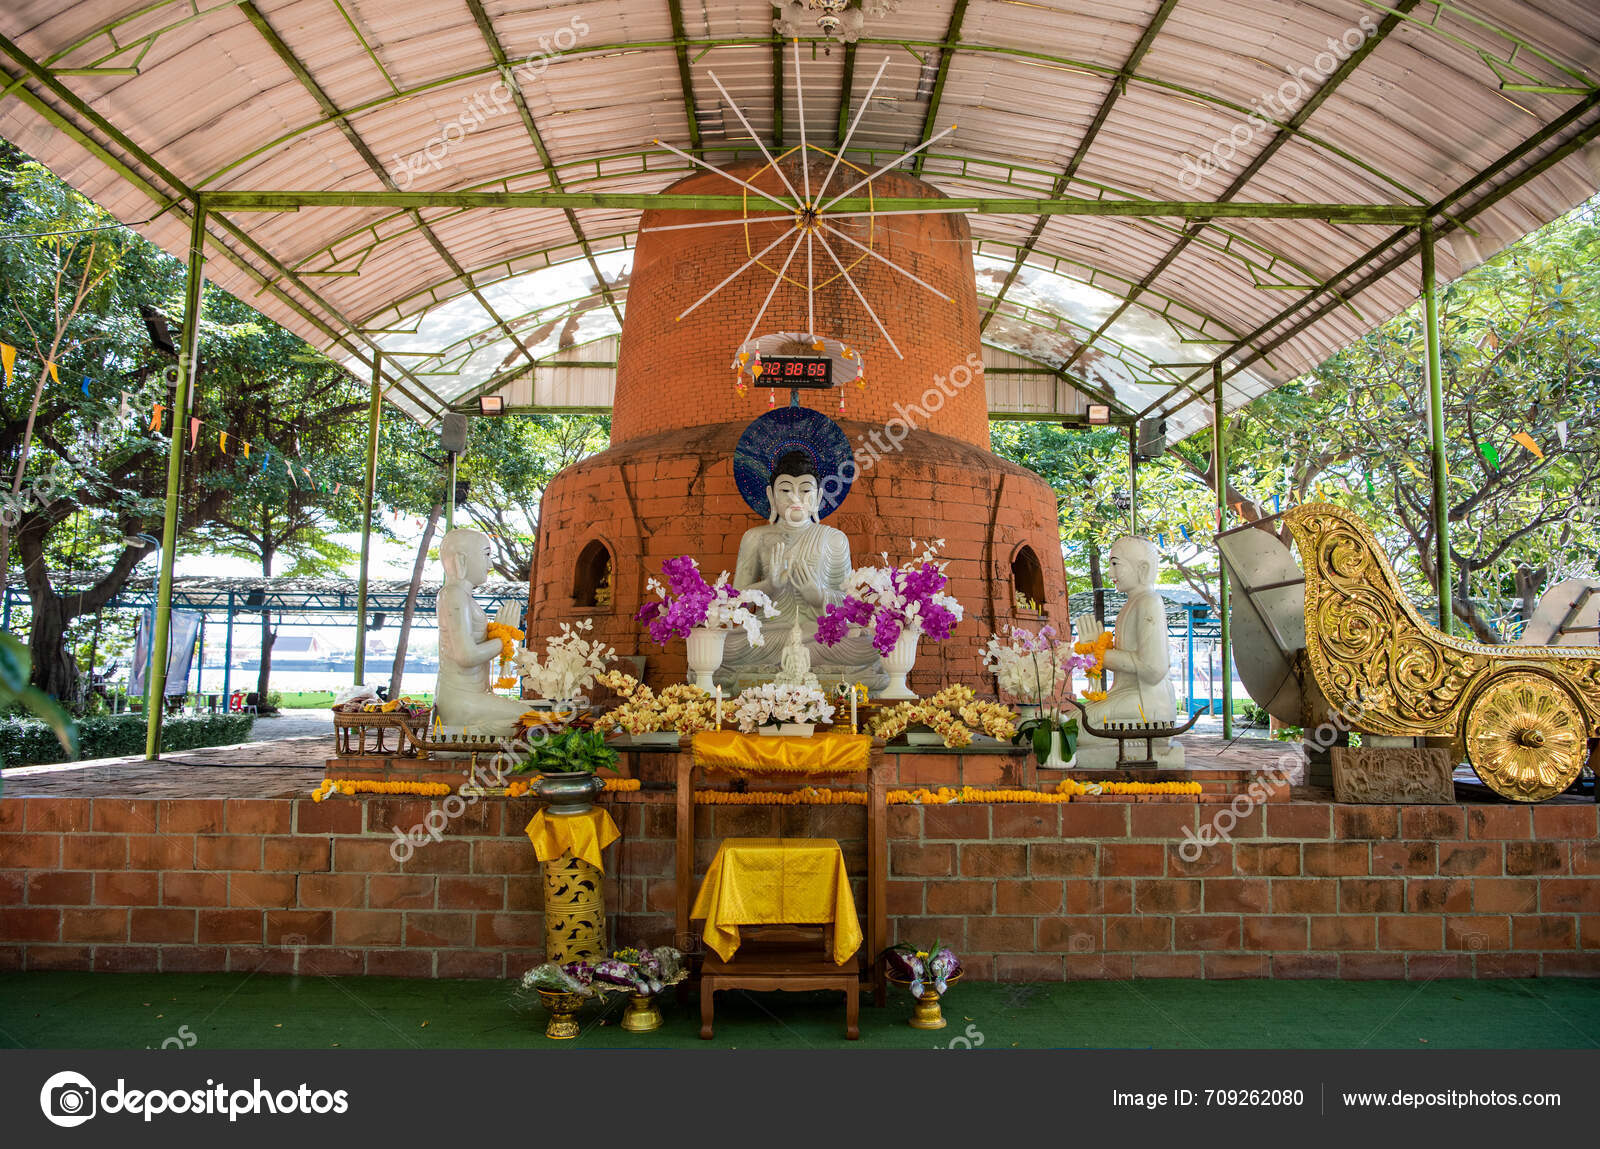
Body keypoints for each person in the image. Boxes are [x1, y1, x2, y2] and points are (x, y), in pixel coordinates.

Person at [717, 450, 883, 689]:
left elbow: (849, 604)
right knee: (724, 646)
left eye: (805, 490)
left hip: (819, 634)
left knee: (869, 645)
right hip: (769, 634)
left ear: (818, 498)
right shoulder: (755, 538)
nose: (795, 498)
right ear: (771, 497)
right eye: (785, 490)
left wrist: (818, 598)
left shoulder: (834, 538)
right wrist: (768, 587)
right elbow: (735, 602)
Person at [434, 528, 528, 735]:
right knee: (530, 721)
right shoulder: (453, 595)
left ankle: (459, 734)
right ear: (461, 559)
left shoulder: (461, 597)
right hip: (461, 700)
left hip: (473, 696)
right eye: (486, 555)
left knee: (532, 719)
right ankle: (455, 735)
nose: (491, 565)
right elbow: (466, 656)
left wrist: (500, 632)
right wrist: (505, 637)